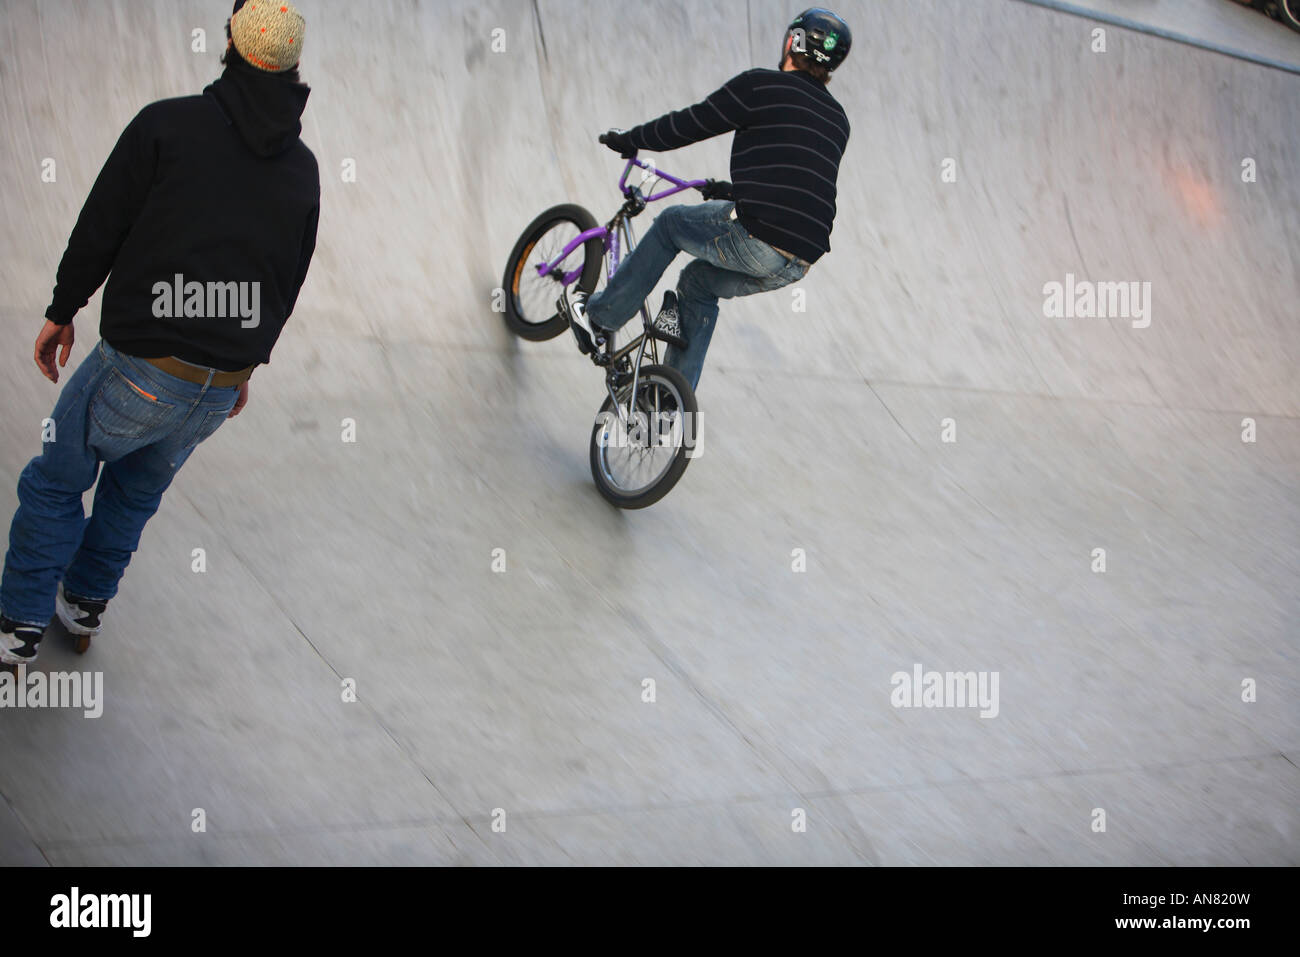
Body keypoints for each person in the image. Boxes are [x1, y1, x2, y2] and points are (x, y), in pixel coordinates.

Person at [0, 0, 319, 665]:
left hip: (143, 365)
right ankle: (83, 606)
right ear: (292, 69)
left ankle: (17, 624)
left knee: (57, 481)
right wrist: (244, 368)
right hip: (214, 386)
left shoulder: (167, 126)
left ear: (230, 42)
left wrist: (64, 308)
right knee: (134, 492)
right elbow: (285, 282)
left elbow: (102, 224)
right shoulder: (304, 170)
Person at [563, 8, 852, 392]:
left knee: (669, 225)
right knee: (698, 284)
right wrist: (731, 191)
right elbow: (797, 180)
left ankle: (600, 318)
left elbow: (692, 122)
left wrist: (632, 139)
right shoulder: (837, 119)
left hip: (757, 237)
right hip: (798, 261)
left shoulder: (760, 86)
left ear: (791, 42)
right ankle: (670, 399)